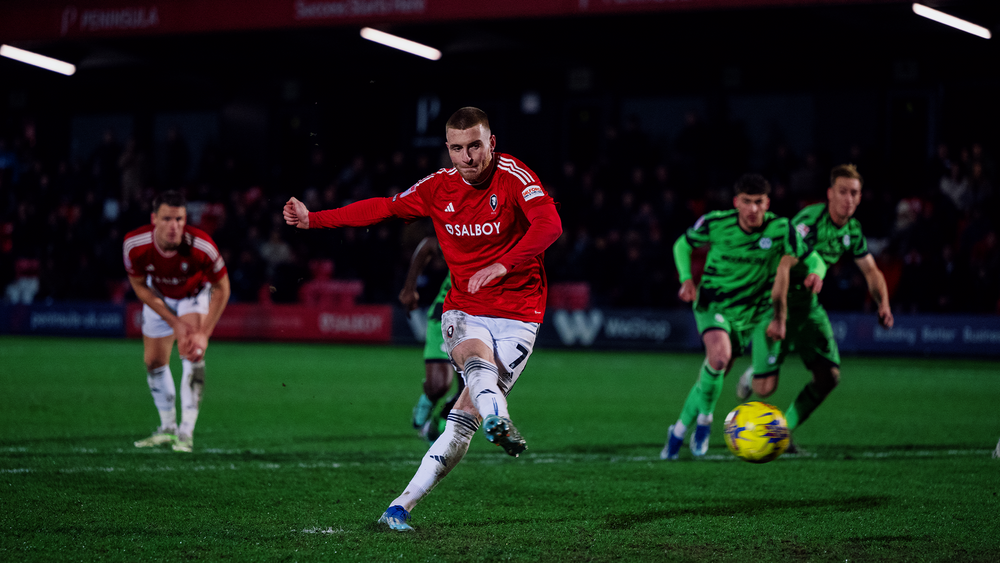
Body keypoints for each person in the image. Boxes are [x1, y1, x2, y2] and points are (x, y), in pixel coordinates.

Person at [283, 107, 562, 530]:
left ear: (491, 143)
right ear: (448, 149)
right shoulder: (438, 187)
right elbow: (383, 208)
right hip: (464, 306)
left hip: (521, 312)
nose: (467, 157)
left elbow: (550, 225)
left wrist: (505, 265)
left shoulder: (514, 177)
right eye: (457, 148)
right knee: (474, 363)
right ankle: (498, 418)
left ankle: (400, 506)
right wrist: (314, 220)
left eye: (475, 146)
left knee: (460, 423)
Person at [661, 173, 817, 460]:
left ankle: (680, 428)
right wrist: (686, 279)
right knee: (718, 359)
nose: (753, 209)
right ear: (736, 203)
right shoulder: (716, 222)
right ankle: (699, 425)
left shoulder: (781, 228)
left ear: (767, 203)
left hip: (756, 314)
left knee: (764, 387)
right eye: (747, 202)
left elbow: (811, 255)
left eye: (759, 202)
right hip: (715, 305)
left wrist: (817, 272)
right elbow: (682, 245)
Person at [736, 164, 893, 447]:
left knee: (829, 377)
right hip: (776, 302)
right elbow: (784, 264)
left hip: (808, 306)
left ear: (860, 197)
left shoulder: (853, 230)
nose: (848, 199)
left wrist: (884, 305)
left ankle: (781, 432)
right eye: (842, 192)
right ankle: (753, 372)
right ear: (830, 194)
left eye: (854, 193)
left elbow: (871, 271)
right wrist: (782, 314)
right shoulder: (808, 222)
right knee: (765, 388)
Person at [124, 190, 230, 453]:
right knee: (154, 362)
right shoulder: (134, 245)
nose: (174, 227)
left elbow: (223, 289)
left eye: (180, 220)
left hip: (193, 296)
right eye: (168, 219)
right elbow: (139, 286)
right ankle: (168, 427)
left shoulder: (201, 246)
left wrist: (204, 333)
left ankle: (186, 432)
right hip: (160, 296)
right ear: (154, 219)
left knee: (192, 352)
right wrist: (173, 322)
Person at [398, 235, 465, 442]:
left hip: (482, 321)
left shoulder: (511, 246)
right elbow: (428, 245)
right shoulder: (470, 237)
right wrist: (410, 288)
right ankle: (429, 399)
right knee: (439, 385)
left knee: (474, 390)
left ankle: (439, 421)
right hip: (446, 314)